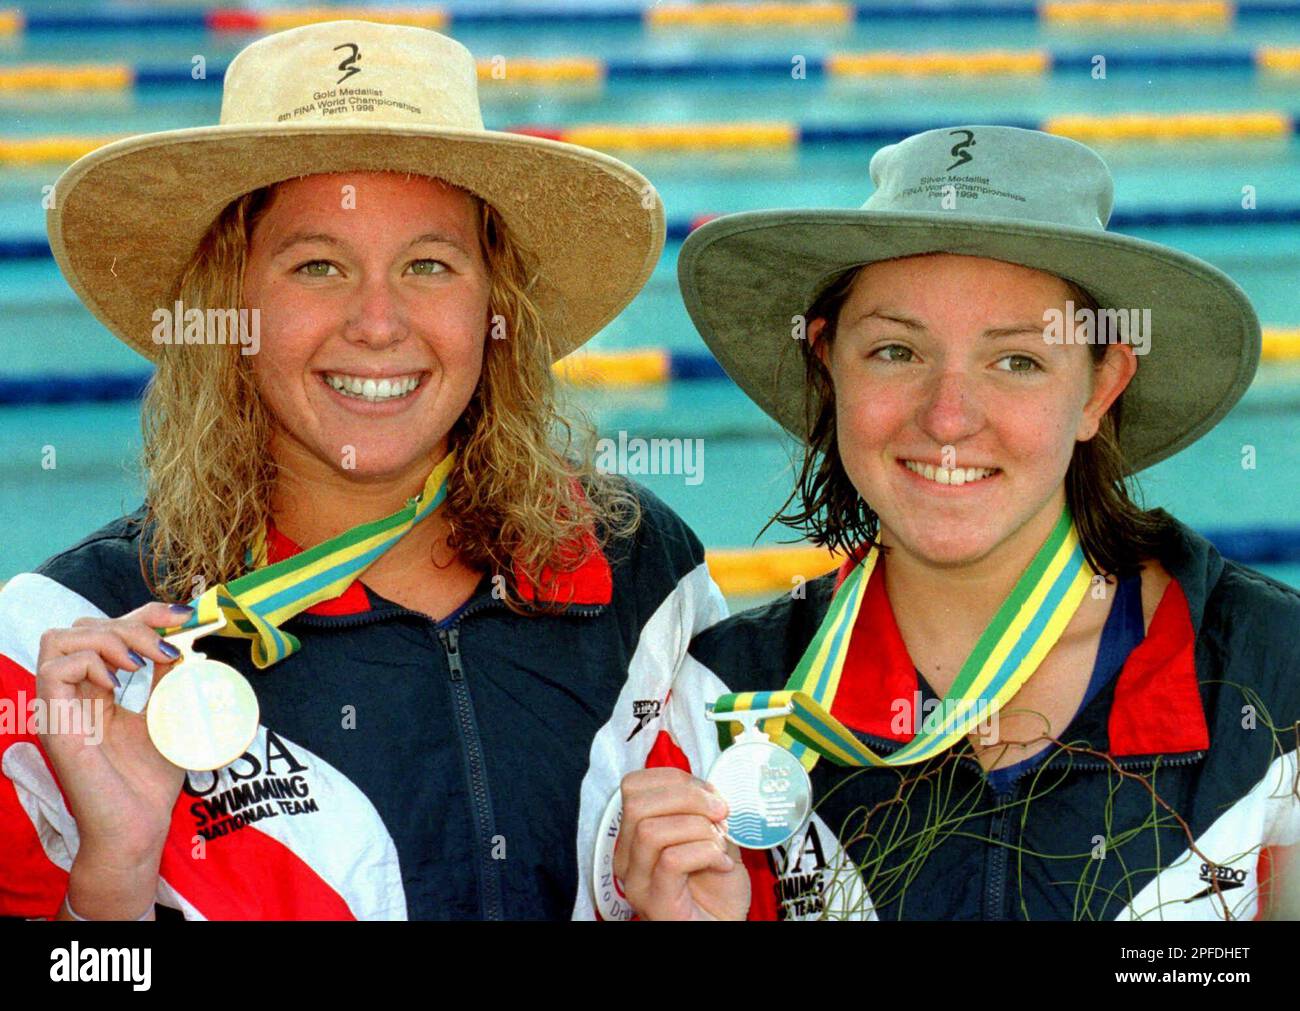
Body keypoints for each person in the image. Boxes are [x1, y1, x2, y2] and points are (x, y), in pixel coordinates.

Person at [0, 20, 727, 921]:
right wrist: (112, 873)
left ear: (494, 302)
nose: (378, 322)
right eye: (317, 265)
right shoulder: (69, 643)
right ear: (233, 304)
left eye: (429, 263)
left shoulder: (639, 571)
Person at [608, 125, 1300, 921]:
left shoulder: (1274, 684)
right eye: (897, 351)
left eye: (1017, 361)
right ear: (828, 361)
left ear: (1100, 386)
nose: (947, 419)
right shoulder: (719, 705)